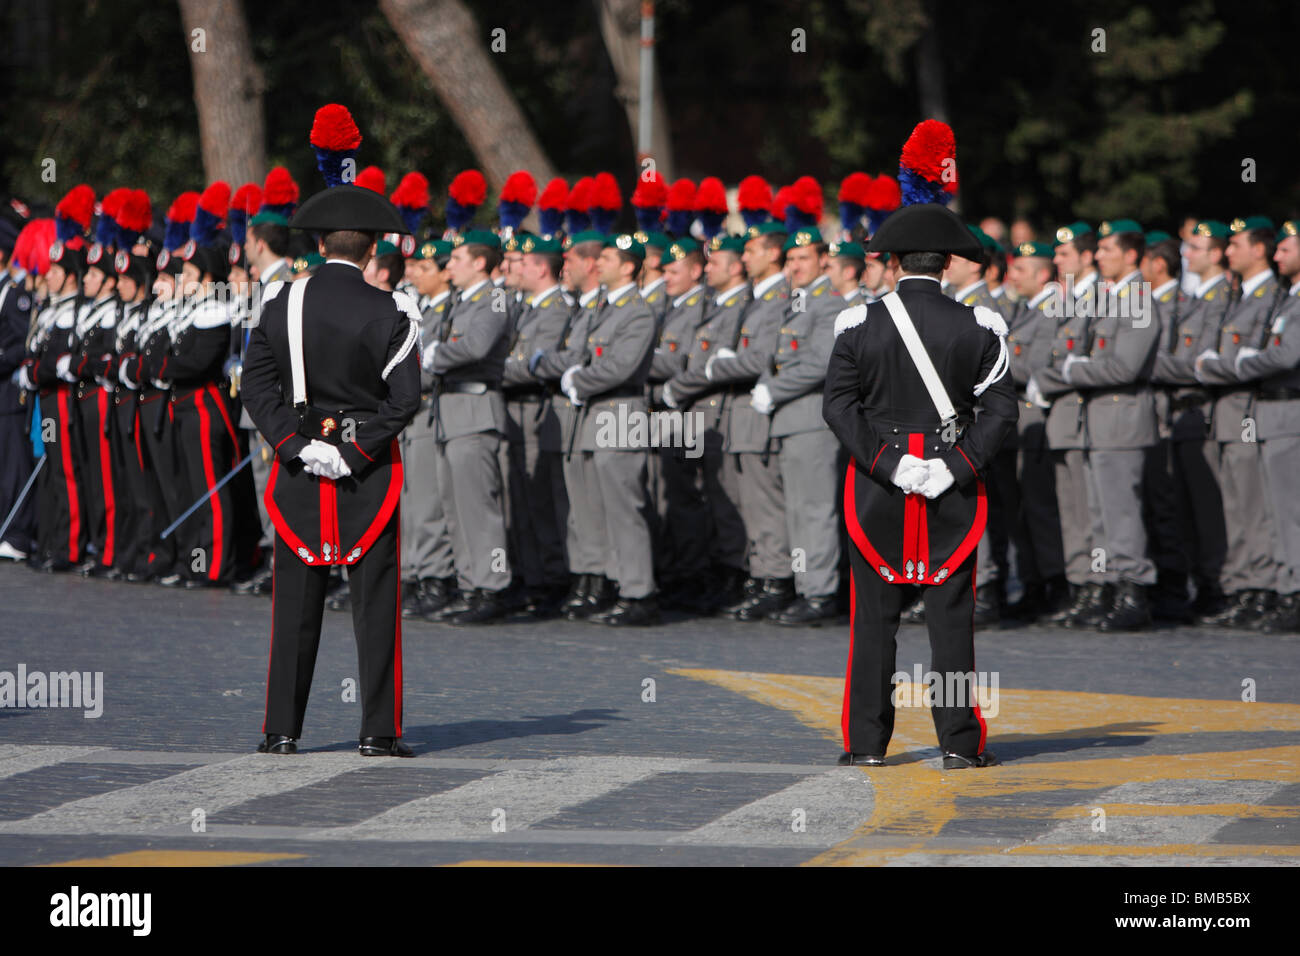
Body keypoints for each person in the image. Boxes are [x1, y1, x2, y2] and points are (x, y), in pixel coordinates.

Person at [824, 202, 1015, 768]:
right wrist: (955, 466)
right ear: (947, 263)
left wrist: (888, 463)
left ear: (894, 263)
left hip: (877, 489)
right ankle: (959, 744)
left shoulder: (857, 324)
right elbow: (1001, 413)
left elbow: (838, 408)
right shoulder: (979, 326)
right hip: (951, 488)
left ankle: (866, 745)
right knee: (951, 621)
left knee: (872, 622)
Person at [240, 183, 421, 757]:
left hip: (298, 467)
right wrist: (355, 450)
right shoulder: (393, 310)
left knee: (293, 605)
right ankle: (378, 732)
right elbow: (405, 399)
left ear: (320, 245)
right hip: (369, 471)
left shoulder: (280, 302)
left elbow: (255, 386)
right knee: (376, 604)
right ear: (371, 251)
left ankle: (281, 729)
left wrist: (295, 446)